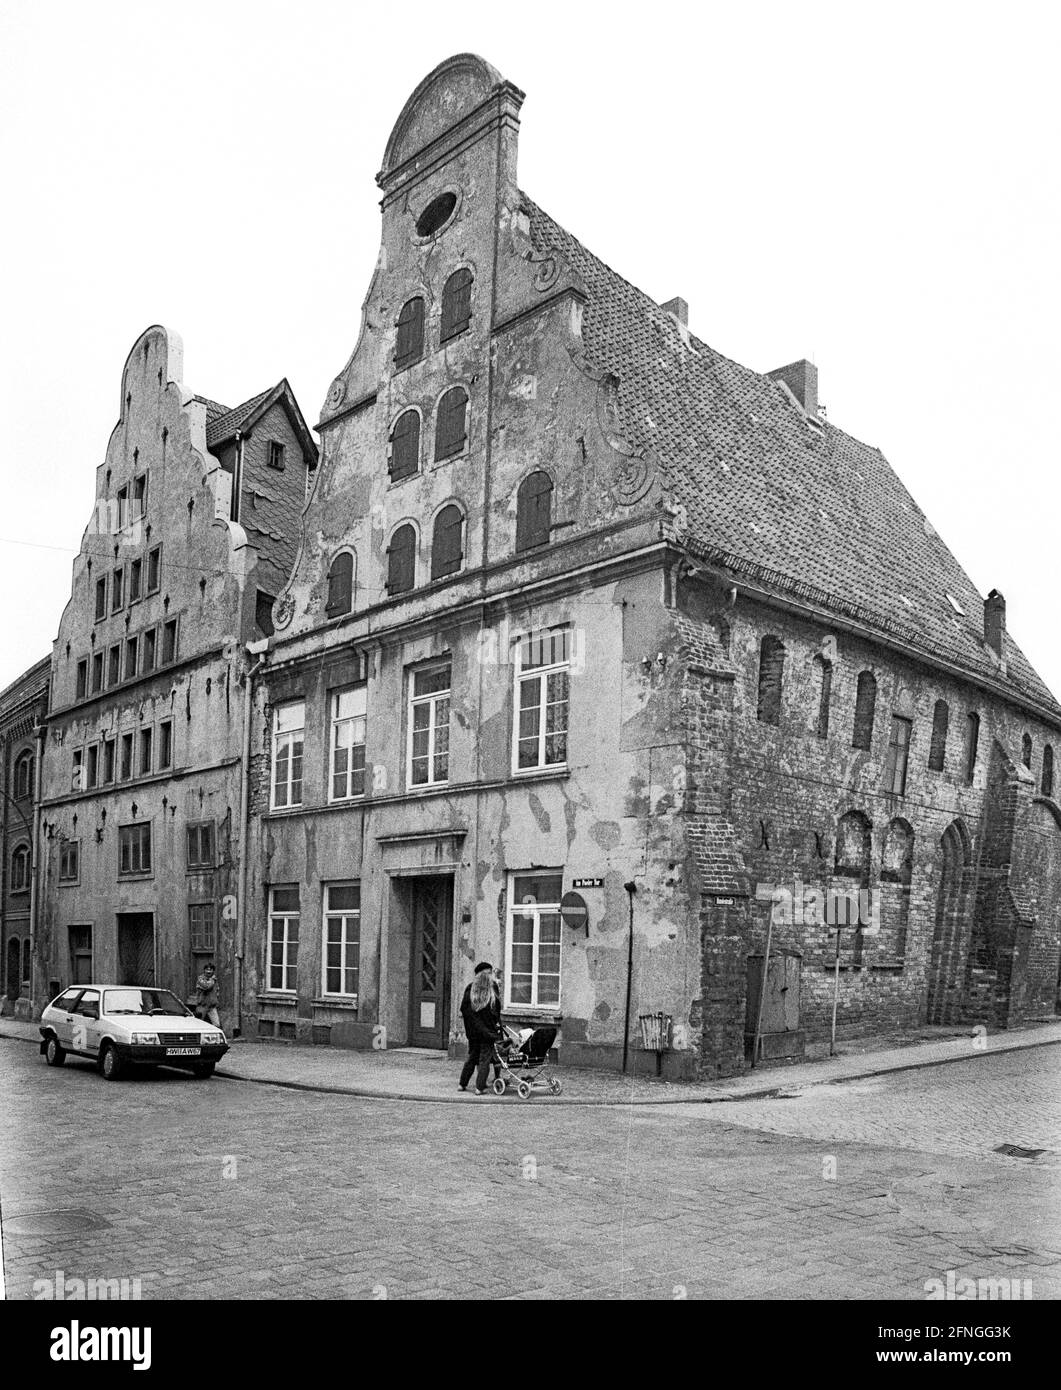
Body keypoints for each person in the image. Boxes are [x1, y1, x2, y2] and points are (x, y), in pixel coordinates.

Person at [458, 961, 502, 1094]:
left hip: (474, 1032)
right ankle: (479, 1087)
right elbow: (496, 1011)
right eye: (489, 973)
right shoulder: (491, 988)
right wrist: (494, 1028)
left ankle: (462, 1084)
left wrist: (471, 1029)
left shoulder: (470, 988)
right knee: (484, 1059)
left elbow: (465, 1011)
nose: (491, 975)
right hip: (487, 1032)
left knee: (472, 1057)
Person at [194, 963, 221, 1029]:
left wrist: (215, 1000)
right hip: (202, 1006)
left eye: (211, 970)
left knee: (217, 1025)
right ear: (204, 970)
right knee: (198, 1024)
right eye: (207, 969)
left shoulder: (215, 980)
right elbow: (207, 987)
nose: (208, 971)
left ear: (213, 971)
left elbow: (217, 991)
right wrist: (212, 980)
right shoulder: (200, 979)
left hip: (211, 1006)